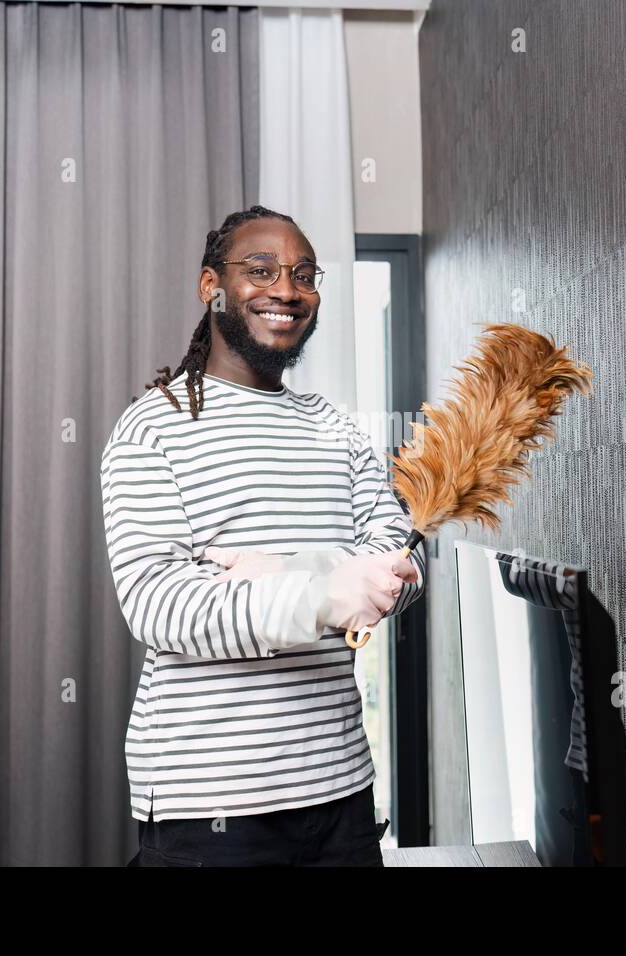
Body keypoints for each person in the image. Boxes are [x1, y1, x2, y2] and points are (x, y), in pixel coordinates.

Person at [101, 205, 425, 866]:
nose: (287, 290)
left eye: (305, 276)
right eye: (261, 271)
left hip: (341, 793)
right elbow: (159, 606)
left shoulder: (337, 429)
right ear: (211, 286)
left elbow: (389, 573)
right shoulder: (152, 428)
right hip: (212, 807)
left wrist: (278, 572)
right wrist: (326, 591)